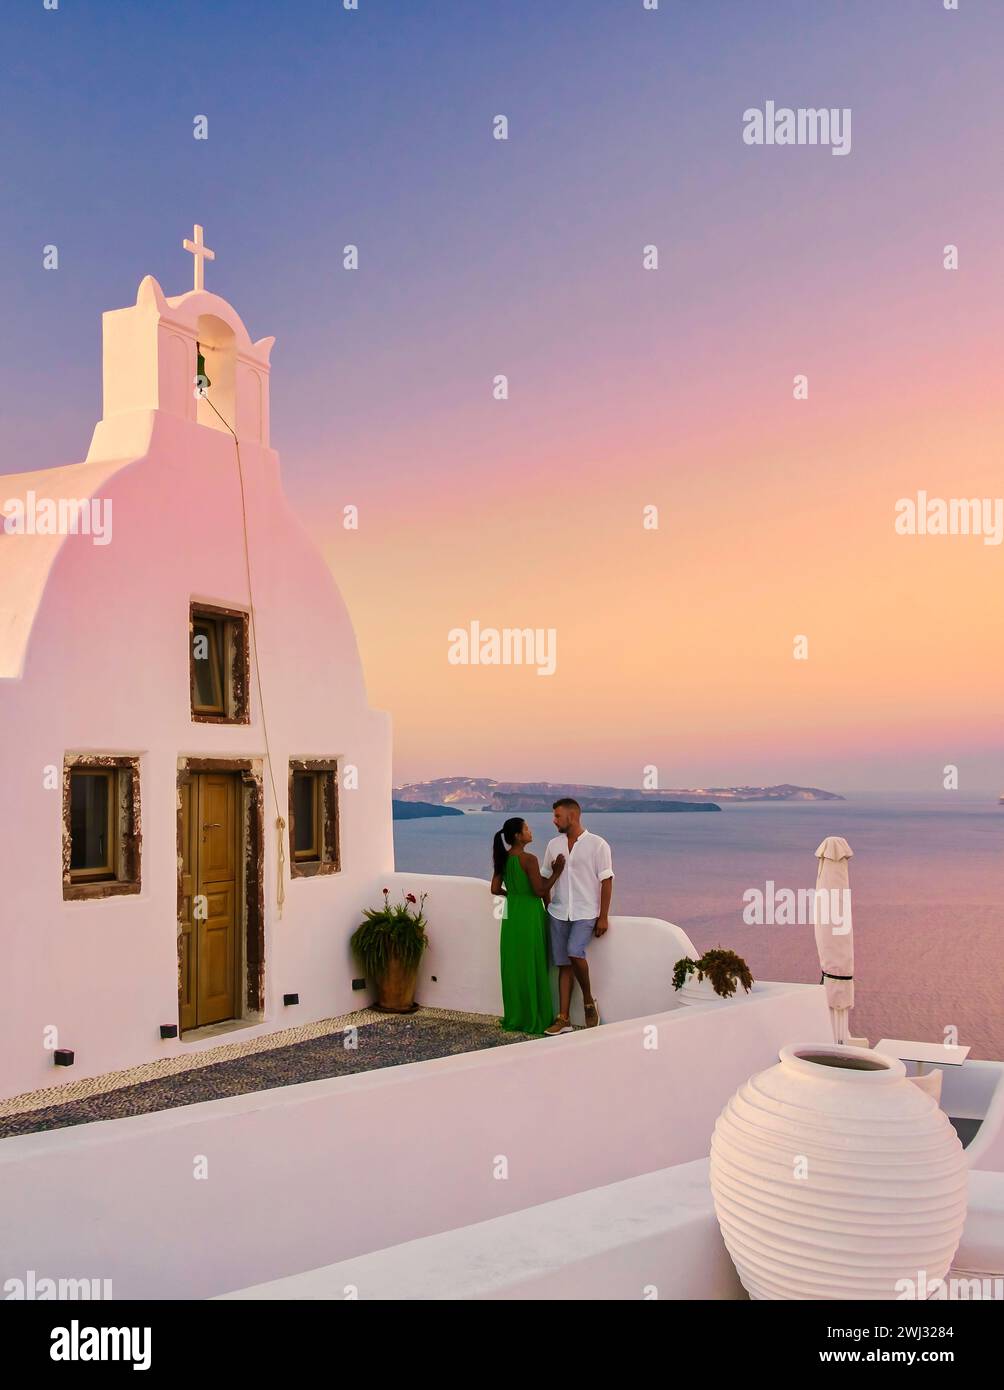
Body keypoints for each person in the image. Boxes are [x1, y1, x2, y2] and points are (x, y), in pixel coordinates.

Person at [540, 798, 613, 1034]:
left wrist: (603, 917)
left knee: (574, 952)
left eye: (557, 816)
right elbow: (545, 877)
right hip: (558, 912)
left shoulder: (597, 844)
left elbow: (606, 880)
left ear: (572, 816)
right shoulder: (553, 844)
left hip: (585, 912)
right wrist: (549, 905)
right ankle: (563, 1019)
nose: (554, 820)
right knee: (563, 965)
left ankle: (588, 1000)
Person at [490, 817, 565, 1035]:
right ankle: (534, 1017)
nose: (530, 832)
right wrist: (557, 872)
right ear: (517, 836)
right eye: (527, 829)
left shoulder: (503, 858)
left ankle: (517, 1016)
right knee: (533, 963)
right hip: (531, 916)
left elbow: (495, 889)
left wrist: (513, 894)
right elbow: (540, 891)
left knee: (515, 965)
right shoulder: (529, 859)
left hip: (511, 915)